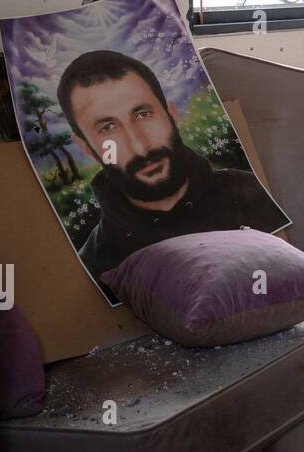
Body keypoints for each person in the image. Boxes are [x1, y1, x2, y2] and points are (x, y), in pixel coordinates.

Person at [56, 49, 290, 295]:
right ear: (86, 148)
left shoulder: (253, 193)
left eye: (143, 114)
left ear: (171, 114)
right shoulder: (94, 265)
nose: (140, 146)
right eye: (108, 128)